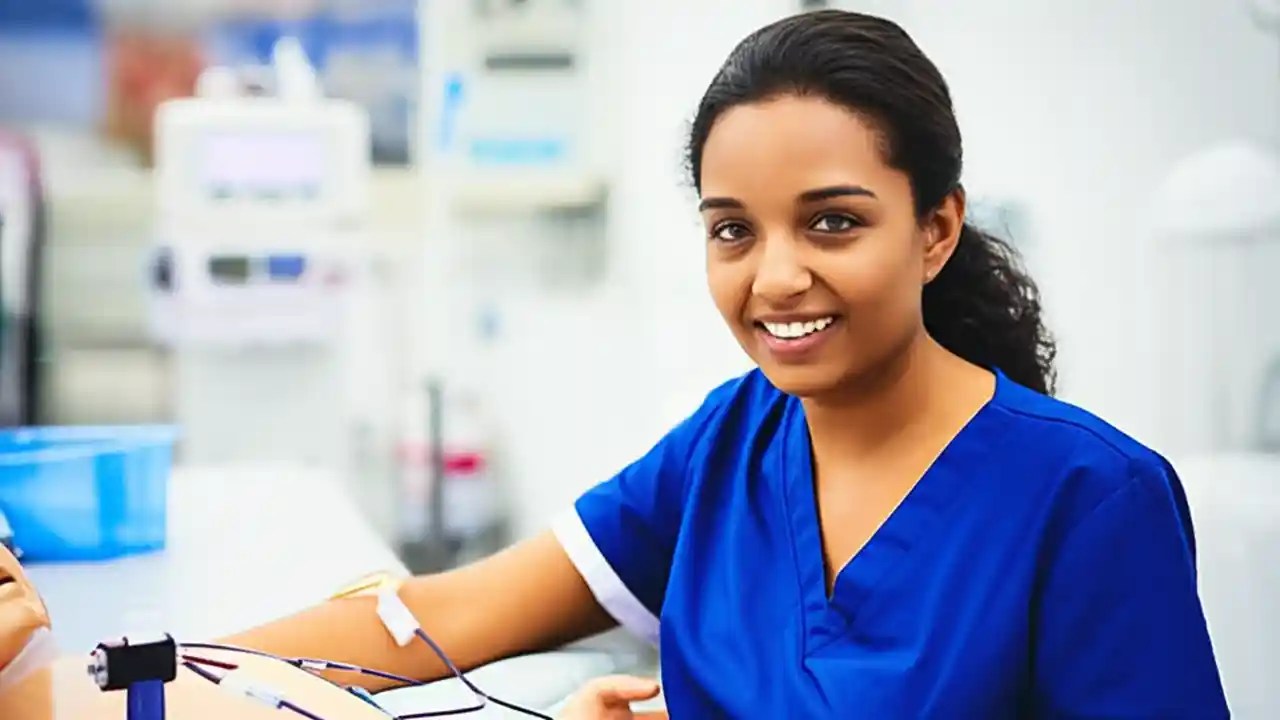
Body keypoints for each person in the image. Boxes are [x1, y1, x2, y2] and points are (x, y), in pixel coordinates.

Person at [225, 10, 1229, 718]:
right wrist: (159, 669)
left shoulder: (1088, 500)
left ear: (935, 230)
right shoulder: (729, 445)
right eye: (732, 231)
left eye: (832, 223)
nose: (776, 277)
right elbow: (442, 617)